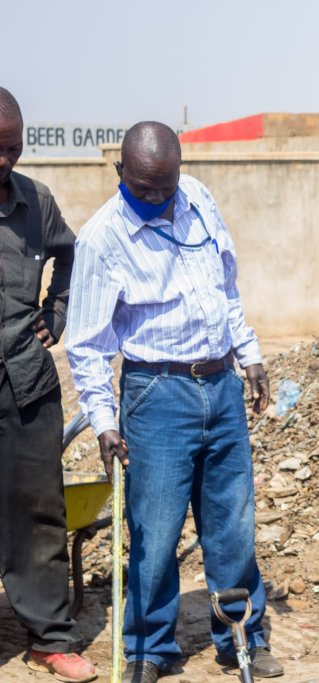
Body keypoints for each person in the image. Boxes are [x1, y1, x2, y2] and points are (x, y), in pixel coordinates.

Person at [64, 122, 283, 682]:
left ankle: (243, 637)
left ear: (181, 170)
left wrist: (248, 353)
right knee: (155, 533)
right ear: (121, 174)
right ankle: (147, 647)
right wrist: (103, 422)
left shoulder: (199, 200)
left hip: (221, 386)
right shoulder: (102, 237)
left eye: (167, 187)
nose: (158, 200)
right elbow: (86, 347)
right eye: (144, 189)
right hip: (156, 395)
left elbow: (226, 288)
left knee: (232, 525)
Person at [0, 87, 97, 683]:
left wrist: (55, 316)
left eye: (12, 148)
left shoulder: (36, 201)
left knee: (37, 513)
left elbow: (72, 256)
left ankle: (49, 638)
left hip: (25, 382)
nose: (3, 161)